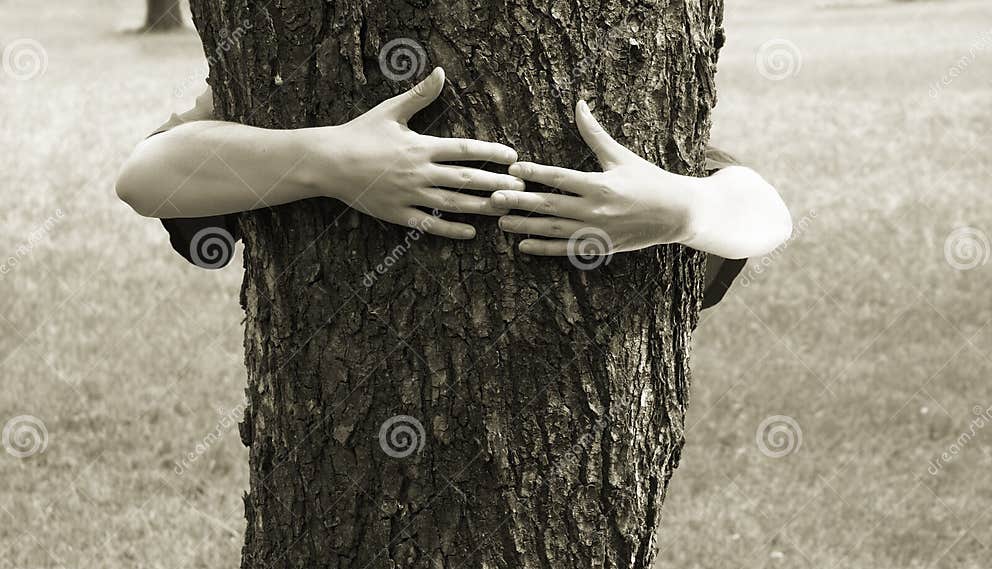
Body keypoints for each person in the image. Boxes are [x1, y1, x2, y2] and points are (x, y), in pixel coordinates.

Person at [116, 68, 791, 308]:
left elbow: (763, 211)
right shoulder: (308, 61)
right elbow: (149, 176)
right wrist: (329, 160)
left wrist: (683, 207)